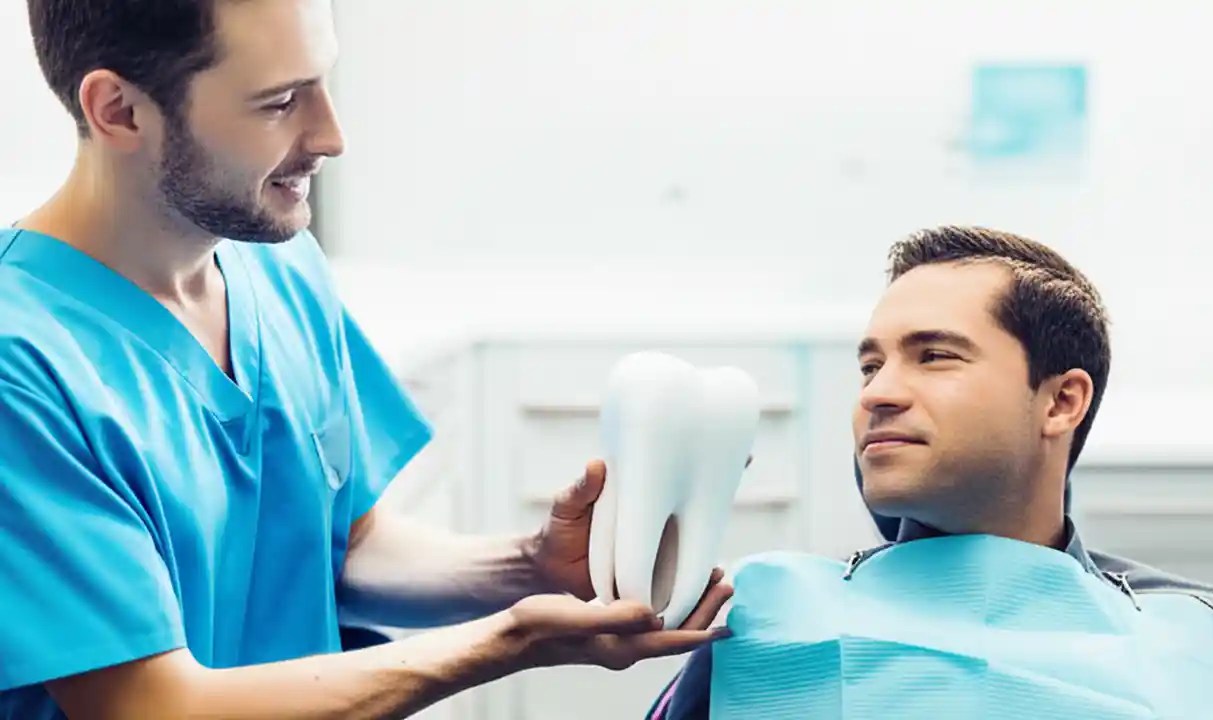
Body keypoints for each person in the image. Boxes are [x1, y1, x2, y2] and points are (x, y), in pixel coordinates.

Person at [0, 1, 733, 718]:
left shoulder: (277, 268)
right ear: (119, 111)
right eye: (281, 102)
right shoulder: (23, 366)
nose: (331, 135)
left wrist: (530, 568)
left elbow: (345, 548)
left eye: (324, 82)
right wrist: (511, 641)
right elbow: (149, 707)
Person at [646, 226, 1213, 718]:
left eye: (934, 356)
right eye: (870, 367)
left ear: (1061, 402)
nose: (878, 393)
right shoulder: (760, 612)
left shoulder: (1207, 632)